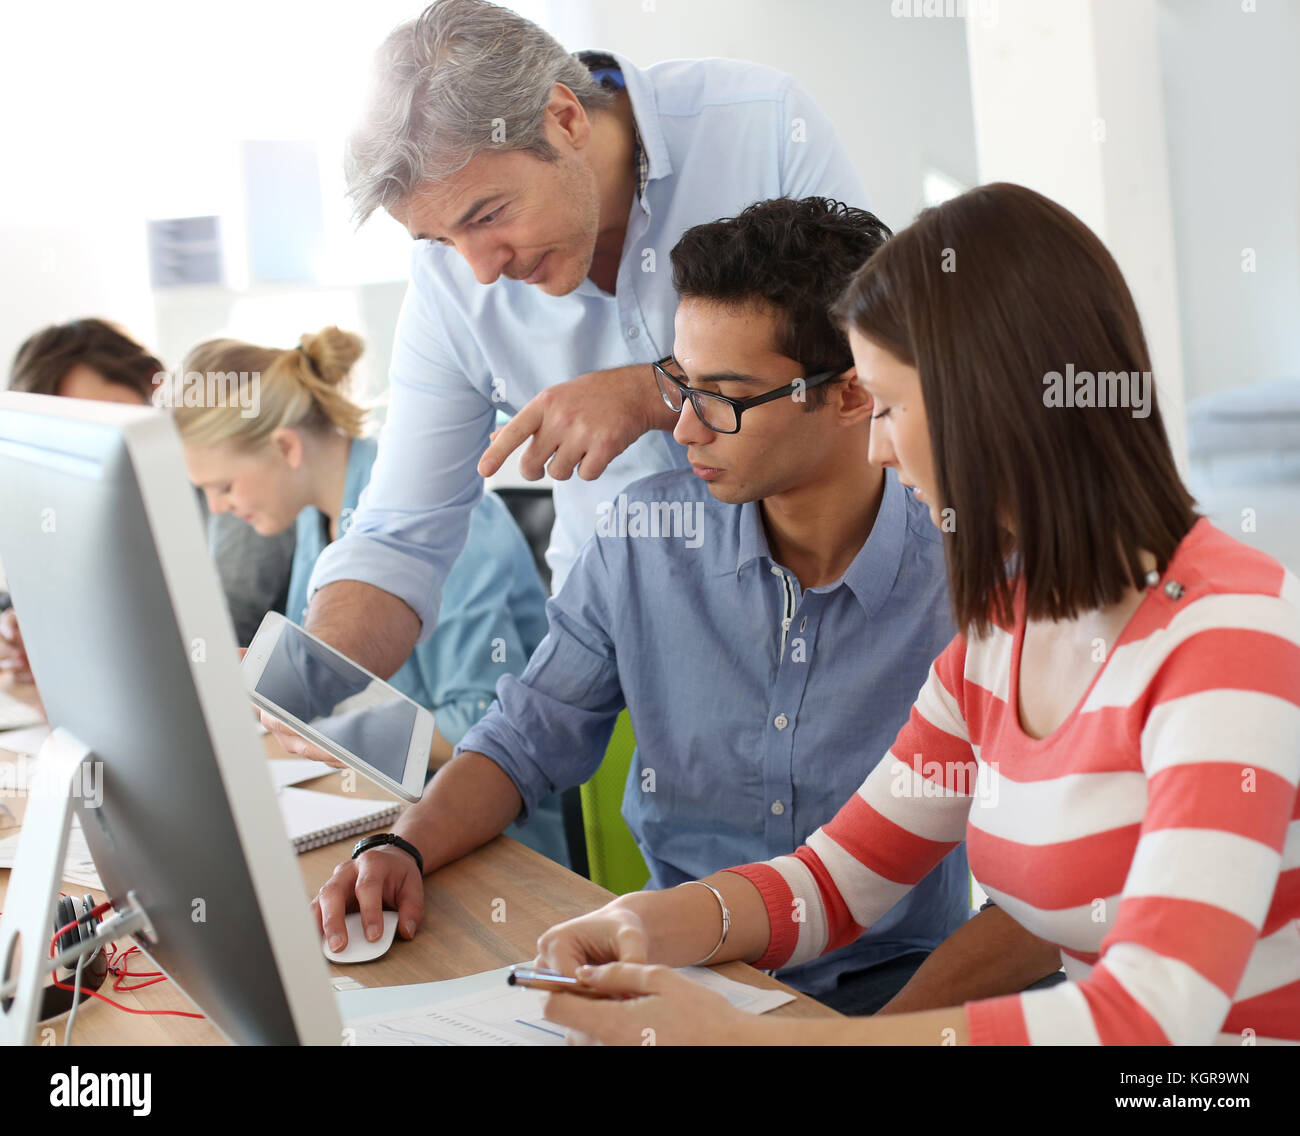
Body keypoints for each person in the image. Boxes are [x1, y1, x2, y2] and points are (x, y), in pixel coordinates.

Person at [531, 183, 1300, 1045]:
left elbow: (1153, 1017)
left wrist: (759, 1041)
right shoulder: (999, 632)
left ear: (991, 404)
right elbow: (834, 882)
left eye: (891, 407)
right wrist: (651, 926)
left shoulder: (1230, 633)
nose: (877, 446)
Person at [311, 197, 1068, 1015]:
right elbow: (529, 737)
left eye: (725, 397)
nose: (683, 428)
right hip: (685, 958)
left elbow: (1049, 897)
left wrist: (863, 1044)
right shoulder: (645, 535)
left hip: (897, 990)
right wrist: (404, 845)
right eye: (680, 385)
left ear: (852, 396)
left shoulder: (982, 579)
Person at [274, 0, 869, 722]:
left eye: (487, 216)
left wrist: (653, 392)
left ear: (564, 117)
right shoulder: (452, 290)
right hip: (631, 666)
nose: (481, 270)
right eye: (439, 241)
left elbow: (869, 356)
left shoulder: (760, 124)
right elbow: (401, 536)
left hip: (841, 623)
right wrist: (286, 691)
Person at [171, 327, 567, 865]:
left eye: (223, 487)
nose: (218, 509)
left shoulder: (445, 519)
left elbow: (482, 722)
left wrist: (335, 730)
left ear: (285, 447)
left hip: (495, 842)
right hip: (387, 811)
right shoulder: (318, 522)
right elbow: (318, 686)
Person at [1, 318, 294, 675]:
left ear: (154, 383)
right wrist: (28, 624)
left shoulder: (228, 479)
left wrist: (71, 642)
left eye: (100, 417)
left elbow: (222, 627)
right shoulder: (96, 500)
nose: (92, 444)